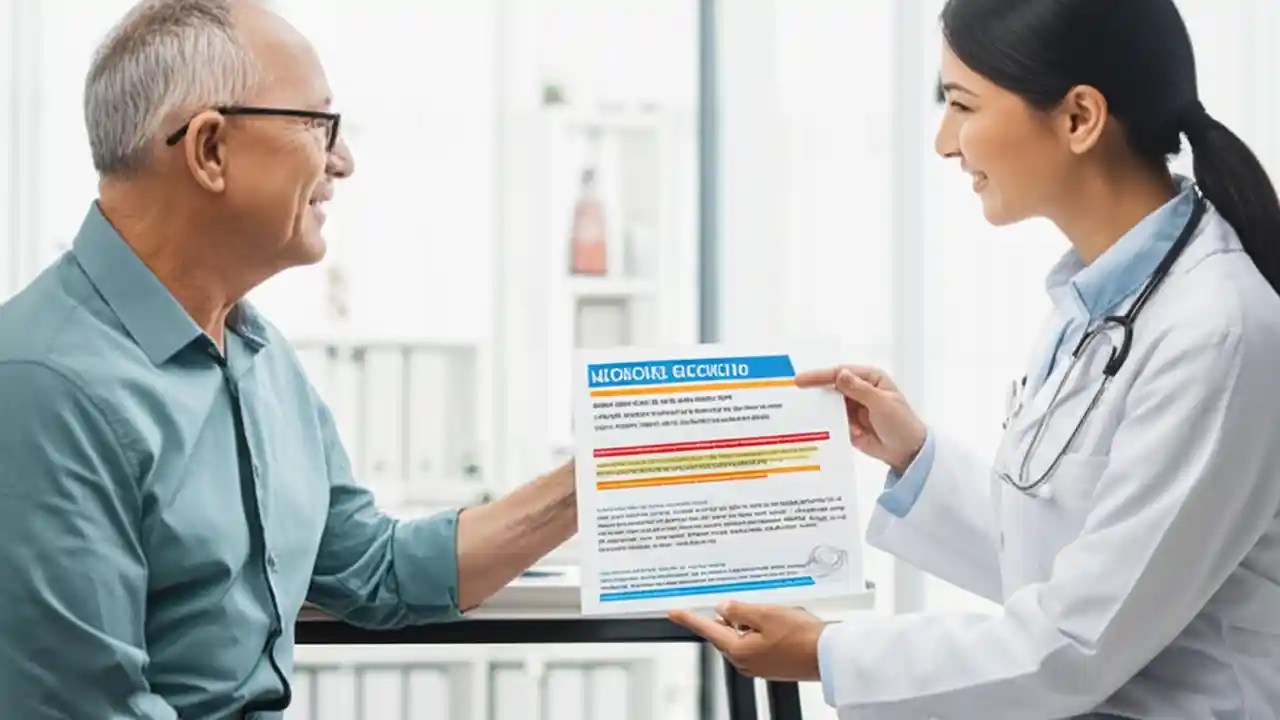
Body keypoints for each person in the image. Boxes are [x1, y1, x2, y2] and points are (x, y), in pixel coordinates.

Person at [670, 0, 1280, 717]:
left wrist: (826, 652)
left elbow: (1074, 644)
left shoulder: (1215, 330)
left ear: (1079, 117)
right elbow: (1068, 568)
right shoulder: (1097, 306)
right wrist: (915, 456)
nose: (943, 143)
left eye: (961, 104)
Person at [0, 1, 576, 717]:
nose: (343, 160)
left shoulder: (258, 357)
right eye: (317, 124)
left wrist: (597, 477)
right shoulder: (42, 386)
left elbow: (375, 569)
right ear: (210, 149)